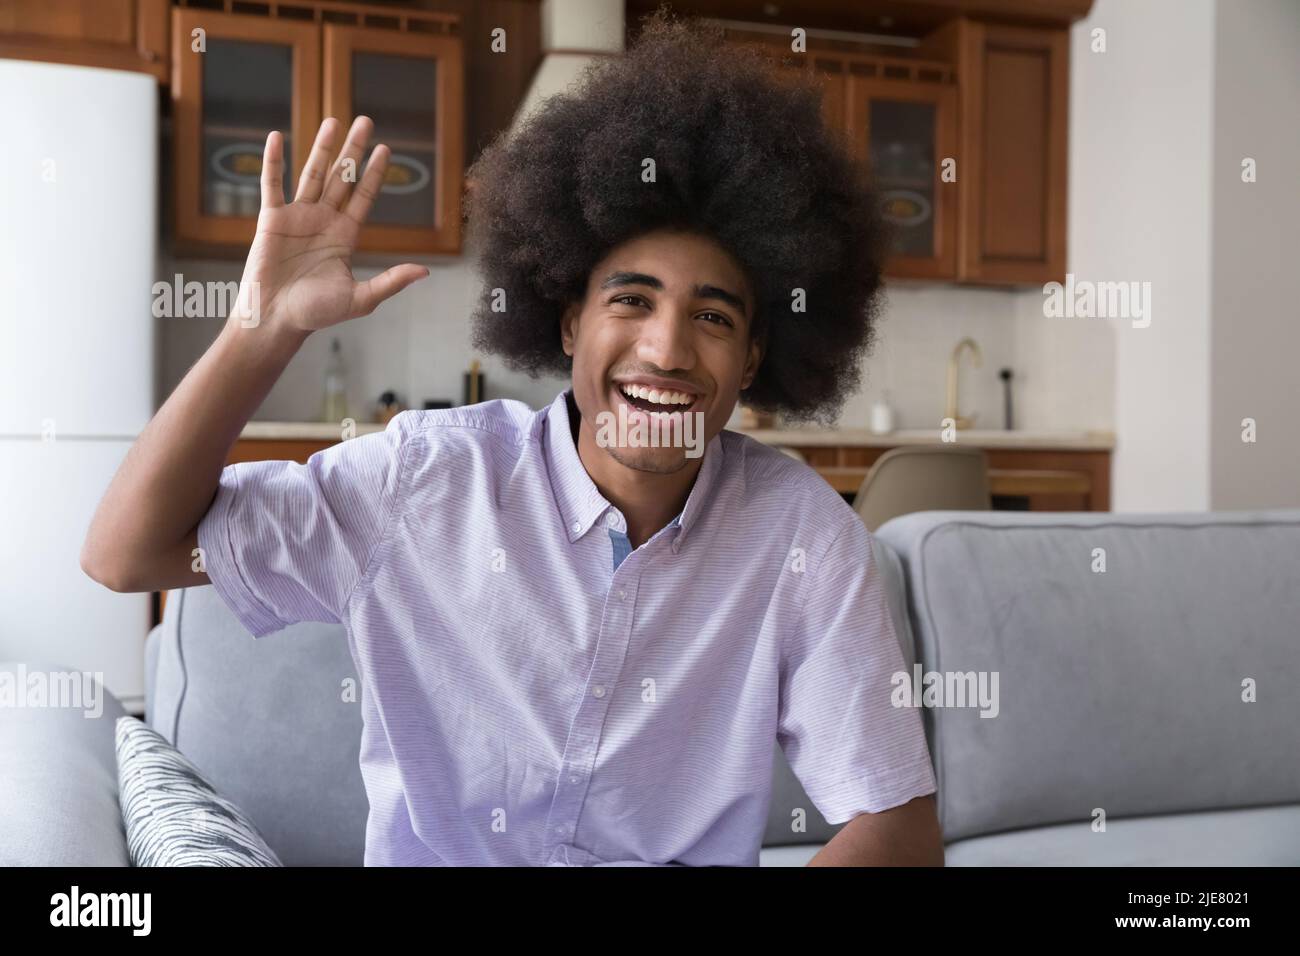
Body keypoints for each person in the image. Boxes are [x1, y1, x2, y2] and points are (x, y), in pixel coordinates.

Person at [83, 12, 942, 866]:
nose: (668, 350)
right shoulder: (418, 485)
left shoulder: (801, 537)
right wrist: (260, 330)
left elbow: (898, 830)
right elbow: (126, 555)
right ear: (568, 323)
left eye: (712, 317)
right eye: (630, 300)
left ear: (755, 357)